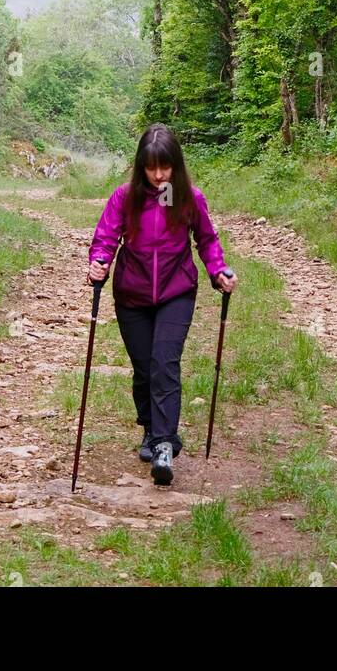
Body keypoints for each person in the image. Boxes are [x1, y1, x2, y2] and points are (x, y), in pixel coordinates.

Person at [87, 123, 238, 486]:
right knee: (144, 368)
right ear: (141, 166)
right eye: (151, 168)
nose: (158, 176)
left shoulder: (187, 198)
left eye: (165, 168)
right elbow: (105, 238)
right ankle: (150, 428)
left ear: (176, 166)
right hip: (132, 296)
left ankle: (164, 444)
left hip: (176, 292)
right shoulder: (125, 197)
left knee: (164, 363)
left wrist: (218, 270)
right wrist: (99, 261)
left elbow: (207, 240)